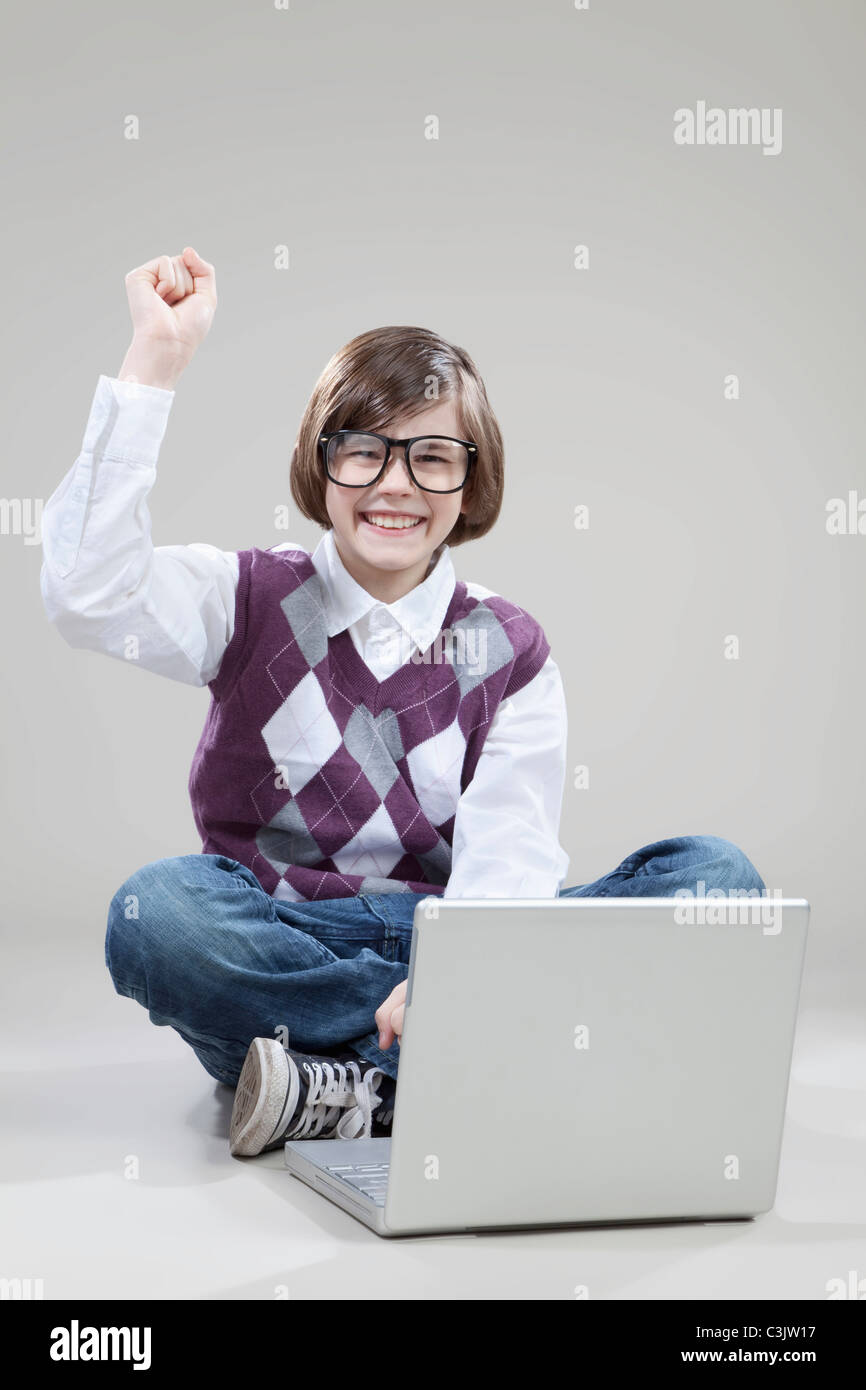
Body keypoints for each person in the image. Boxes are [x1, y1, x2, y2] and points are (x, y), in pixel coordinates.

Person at [40, 247, 766, 1160]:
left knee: (715, 879)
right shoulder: (246, 597)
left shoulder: (509, 647)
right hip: (287, 944)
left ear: (471, 480)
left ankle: (351, 1086)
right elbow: (88, 595)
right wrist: (153, 364)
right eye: (364, 451)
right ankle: (482, 1066)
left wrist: (458, 979)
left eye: (431, 457)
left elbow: (509, 854)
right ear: (322, 465)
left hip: (458, 936)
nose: (395, 485)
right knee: (161, 913)